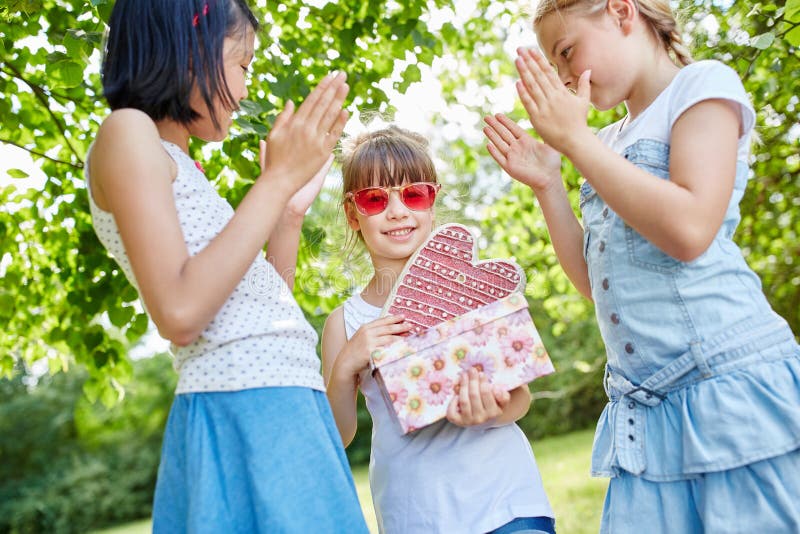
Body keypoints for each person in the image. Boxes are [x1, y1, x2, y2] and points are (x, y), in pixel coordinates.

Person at [483, 0, 800, 532]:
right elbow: (595, 283)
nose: (564, 79)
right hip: (646, 415)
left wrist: (577, 142)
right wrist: (548, 184)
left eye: (567, 53)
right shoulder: (606, 144)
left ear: (621, 12)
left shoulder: (701, 87)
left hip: (727, 388)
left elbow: (690, 230)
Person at [85, 0, 369, 531]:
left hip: (289, 406)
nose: (244, 89)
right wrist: (274, 182)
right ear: (187, 48)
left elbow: (261, 305)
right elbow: (180, 309)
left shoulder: (185, 169)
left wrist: (286, 215)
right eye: (242, 65)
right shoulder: (126, 133)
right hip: (243, 408)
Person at [321, 125, 556, 534]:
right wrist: (345, 368)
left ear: (432, 201)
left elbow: (520, 400)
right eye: (375, 199)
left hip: (505, 500)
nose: (397, 211)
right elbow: (337, 438)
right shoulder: (345, 322)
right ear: (352, 213)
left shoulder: (476, 292)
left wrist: (490, 410)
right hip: (415, 515)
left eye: (413, 194)